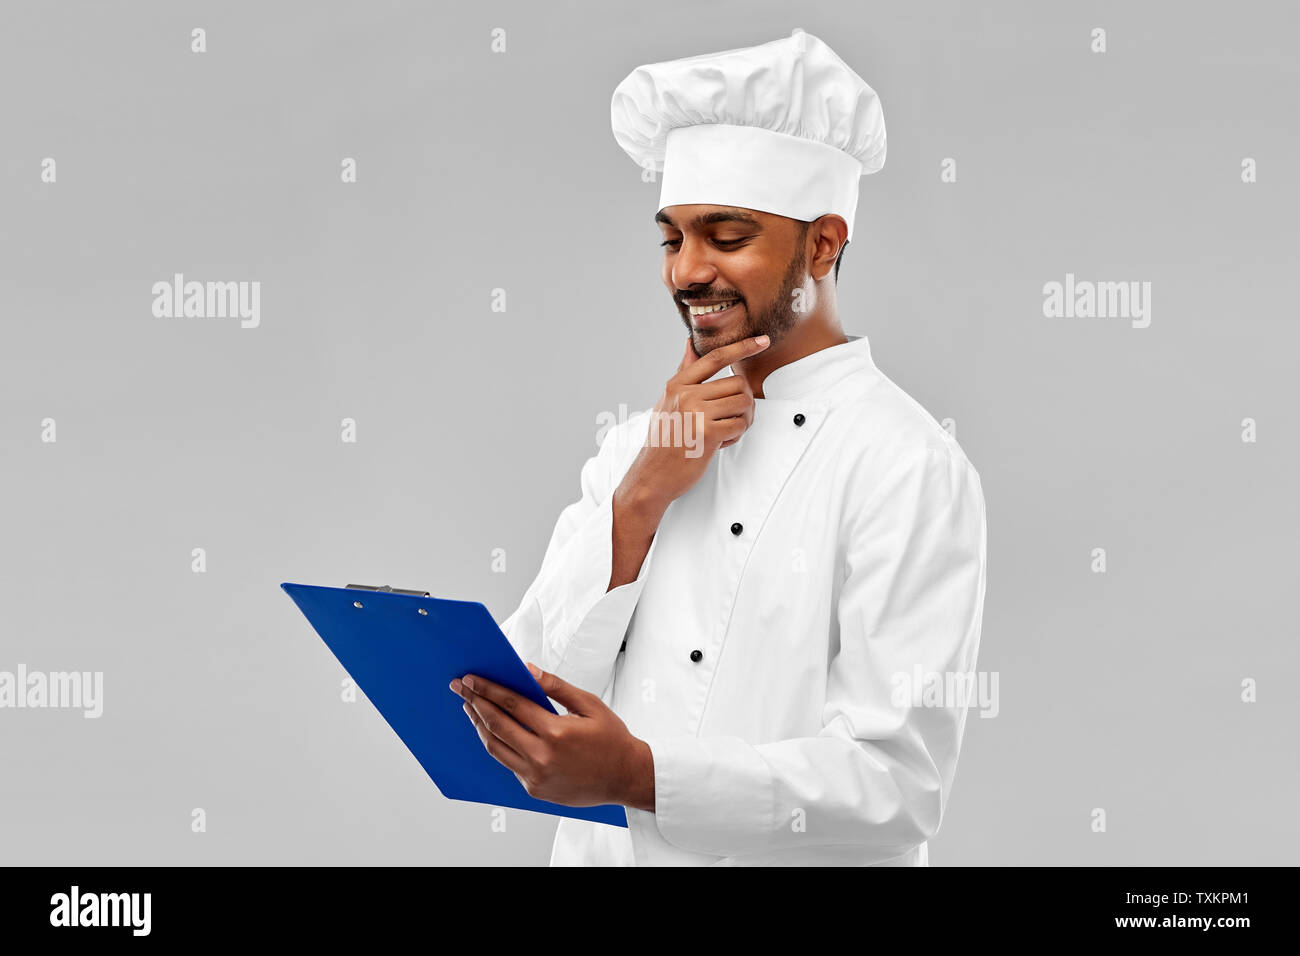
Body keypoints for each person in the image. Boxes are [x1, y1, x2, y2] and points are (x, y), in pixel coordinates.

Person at [449, 29, 988, 866]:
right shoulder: (637, 447)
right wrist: (641, 497)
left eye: (725, 236)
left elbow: (896, 782)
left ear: (822, 244)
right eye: (672, 239)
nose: (685, 272)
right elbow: (528, 693)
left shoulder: (906, 465)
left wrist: (641, 774)